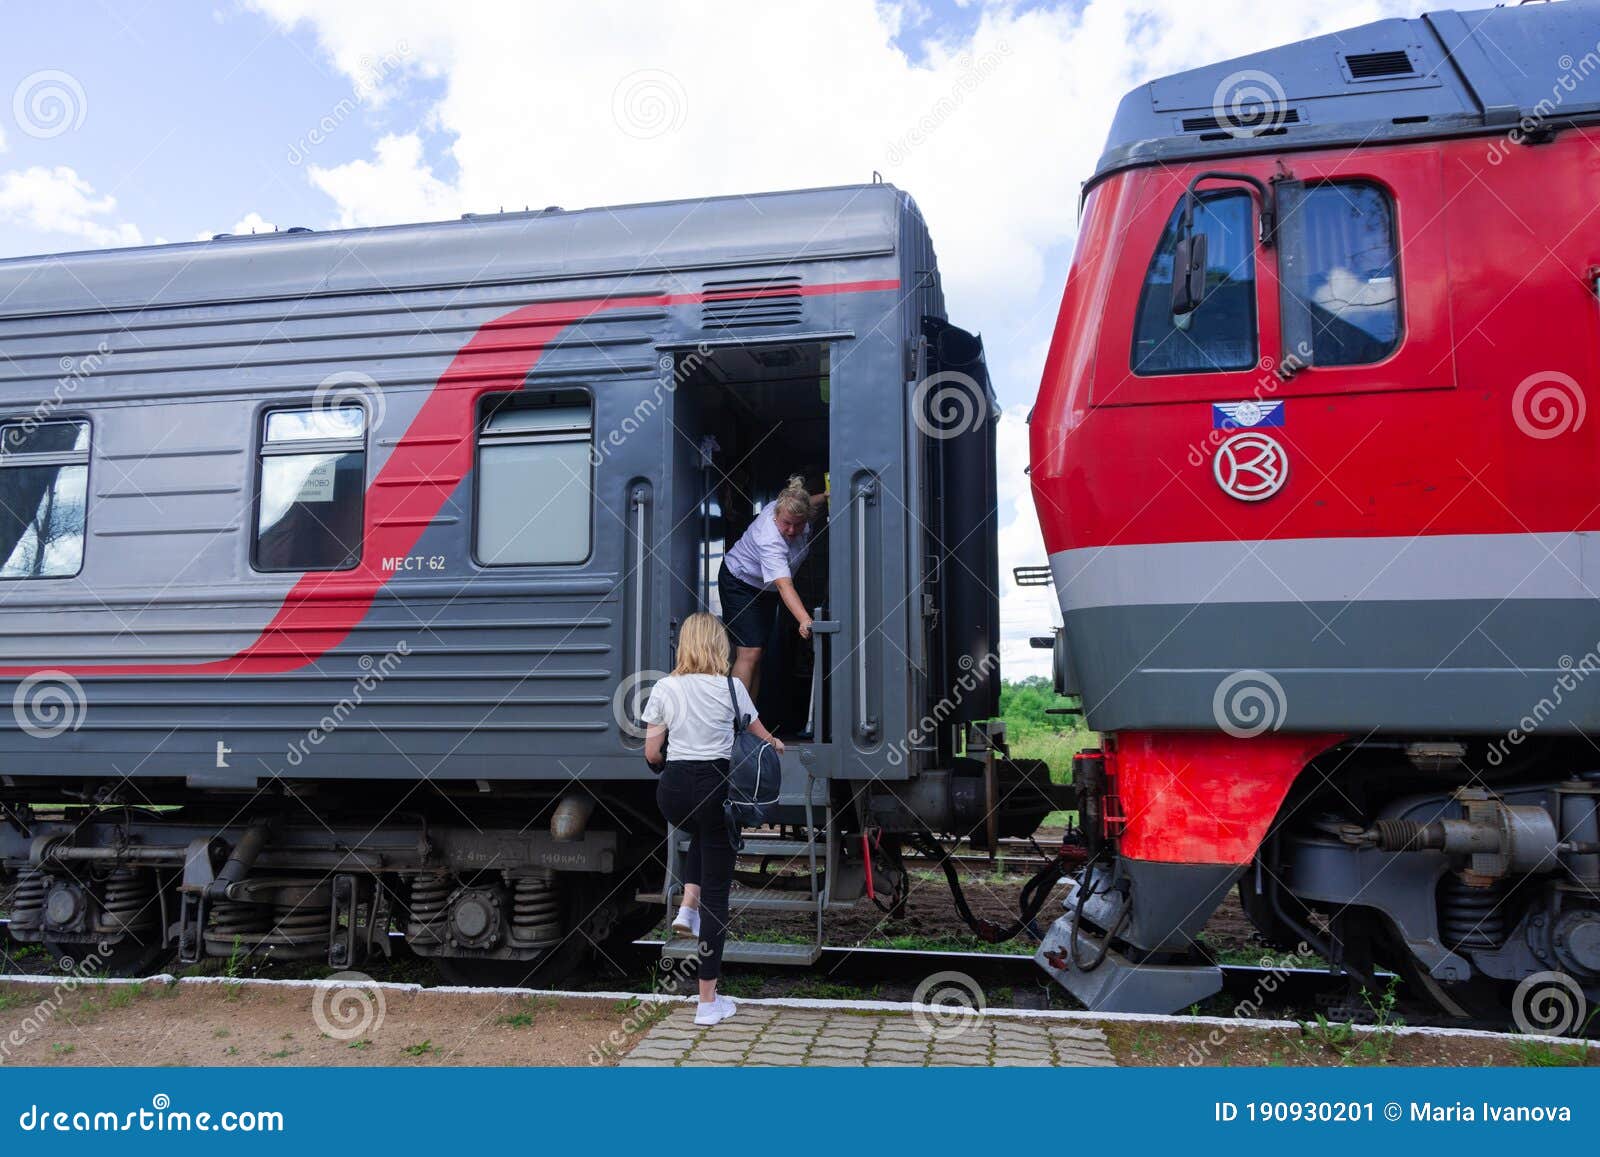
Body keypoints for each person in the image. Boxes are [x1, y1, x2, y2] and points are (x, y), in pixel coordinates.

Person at [643, 612, 785, 1026]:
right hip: (716, 789)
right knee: (718, 898)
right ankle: (707, 1002)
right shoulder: (733, 686)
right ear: (719, 646)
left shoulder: (664, 687)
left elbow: (652, 754)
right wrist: (776, 743)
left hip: (673, 793)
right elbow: (760, 735)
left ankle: (687, 904)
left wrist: (669, 761)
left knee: (703, 831)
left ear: (684, 644)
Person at [718, 474, 828, 696]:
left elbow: (808, 503)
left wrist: (826, 496)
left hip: (764, 590)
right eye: (786, 523)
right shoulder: (768, 538)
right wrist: (805, 620)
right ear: (776, 513)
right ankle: (736, 725)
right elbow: (784, 585)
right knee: (750, 651)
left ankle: (751, 724)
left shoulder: (794, 509)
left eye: (798, 524)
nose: (790, 530)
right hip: (740, 584)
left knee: (758, 654)